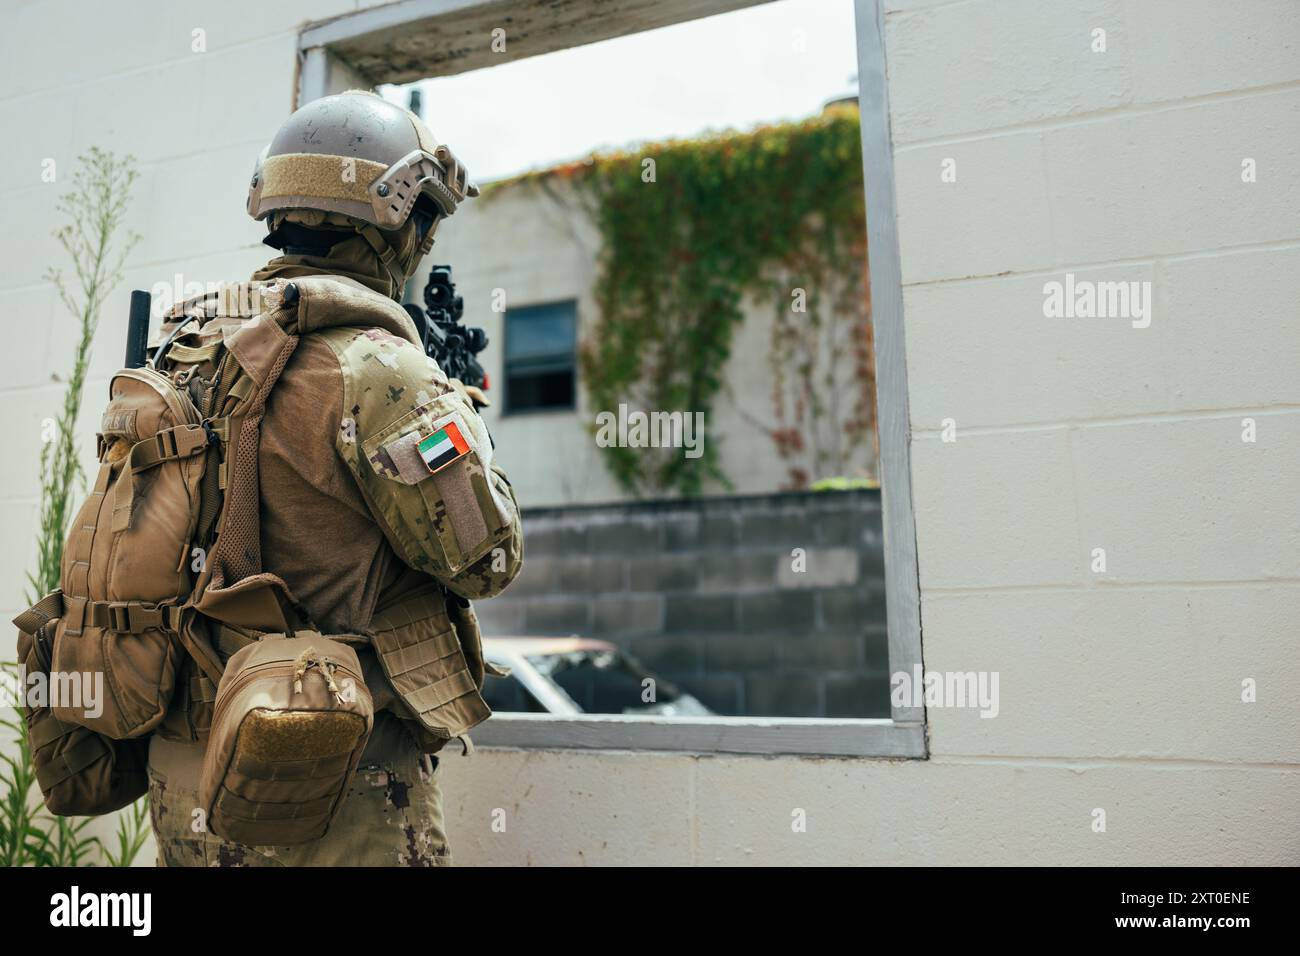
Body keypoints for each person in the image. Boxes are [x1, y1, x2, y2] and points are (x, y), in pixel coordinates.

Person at [146, 89, 523, 867]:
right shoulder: (380, 368)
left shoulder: (183, 353)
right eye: (426, 220)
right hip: (330, 784)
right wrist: (460, 424)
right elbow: (485, 559)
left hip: (185, 772)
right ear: (398, 222)